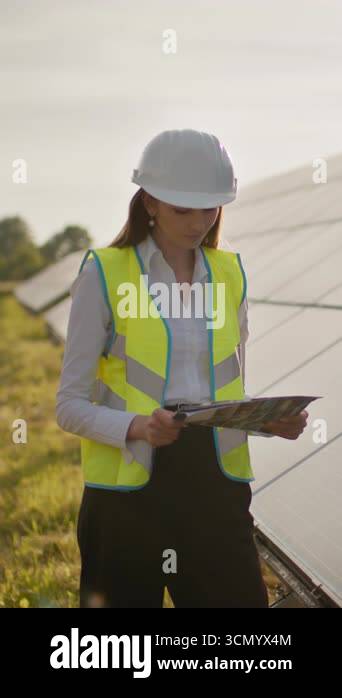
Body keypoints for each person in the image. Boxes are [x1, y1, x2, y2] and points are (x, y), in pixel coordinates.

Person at [56, 128, 308, 608]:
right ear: (149, 201)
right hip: (126, 495)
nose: (199, 222)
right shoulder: (104, 273)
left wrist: (266, 420)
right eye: (182, 210)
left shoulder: (230, 273)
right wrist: (136, 426)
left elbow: (224, 387)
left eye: (209, 208)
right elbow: (68, 406)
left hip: (215, 488)